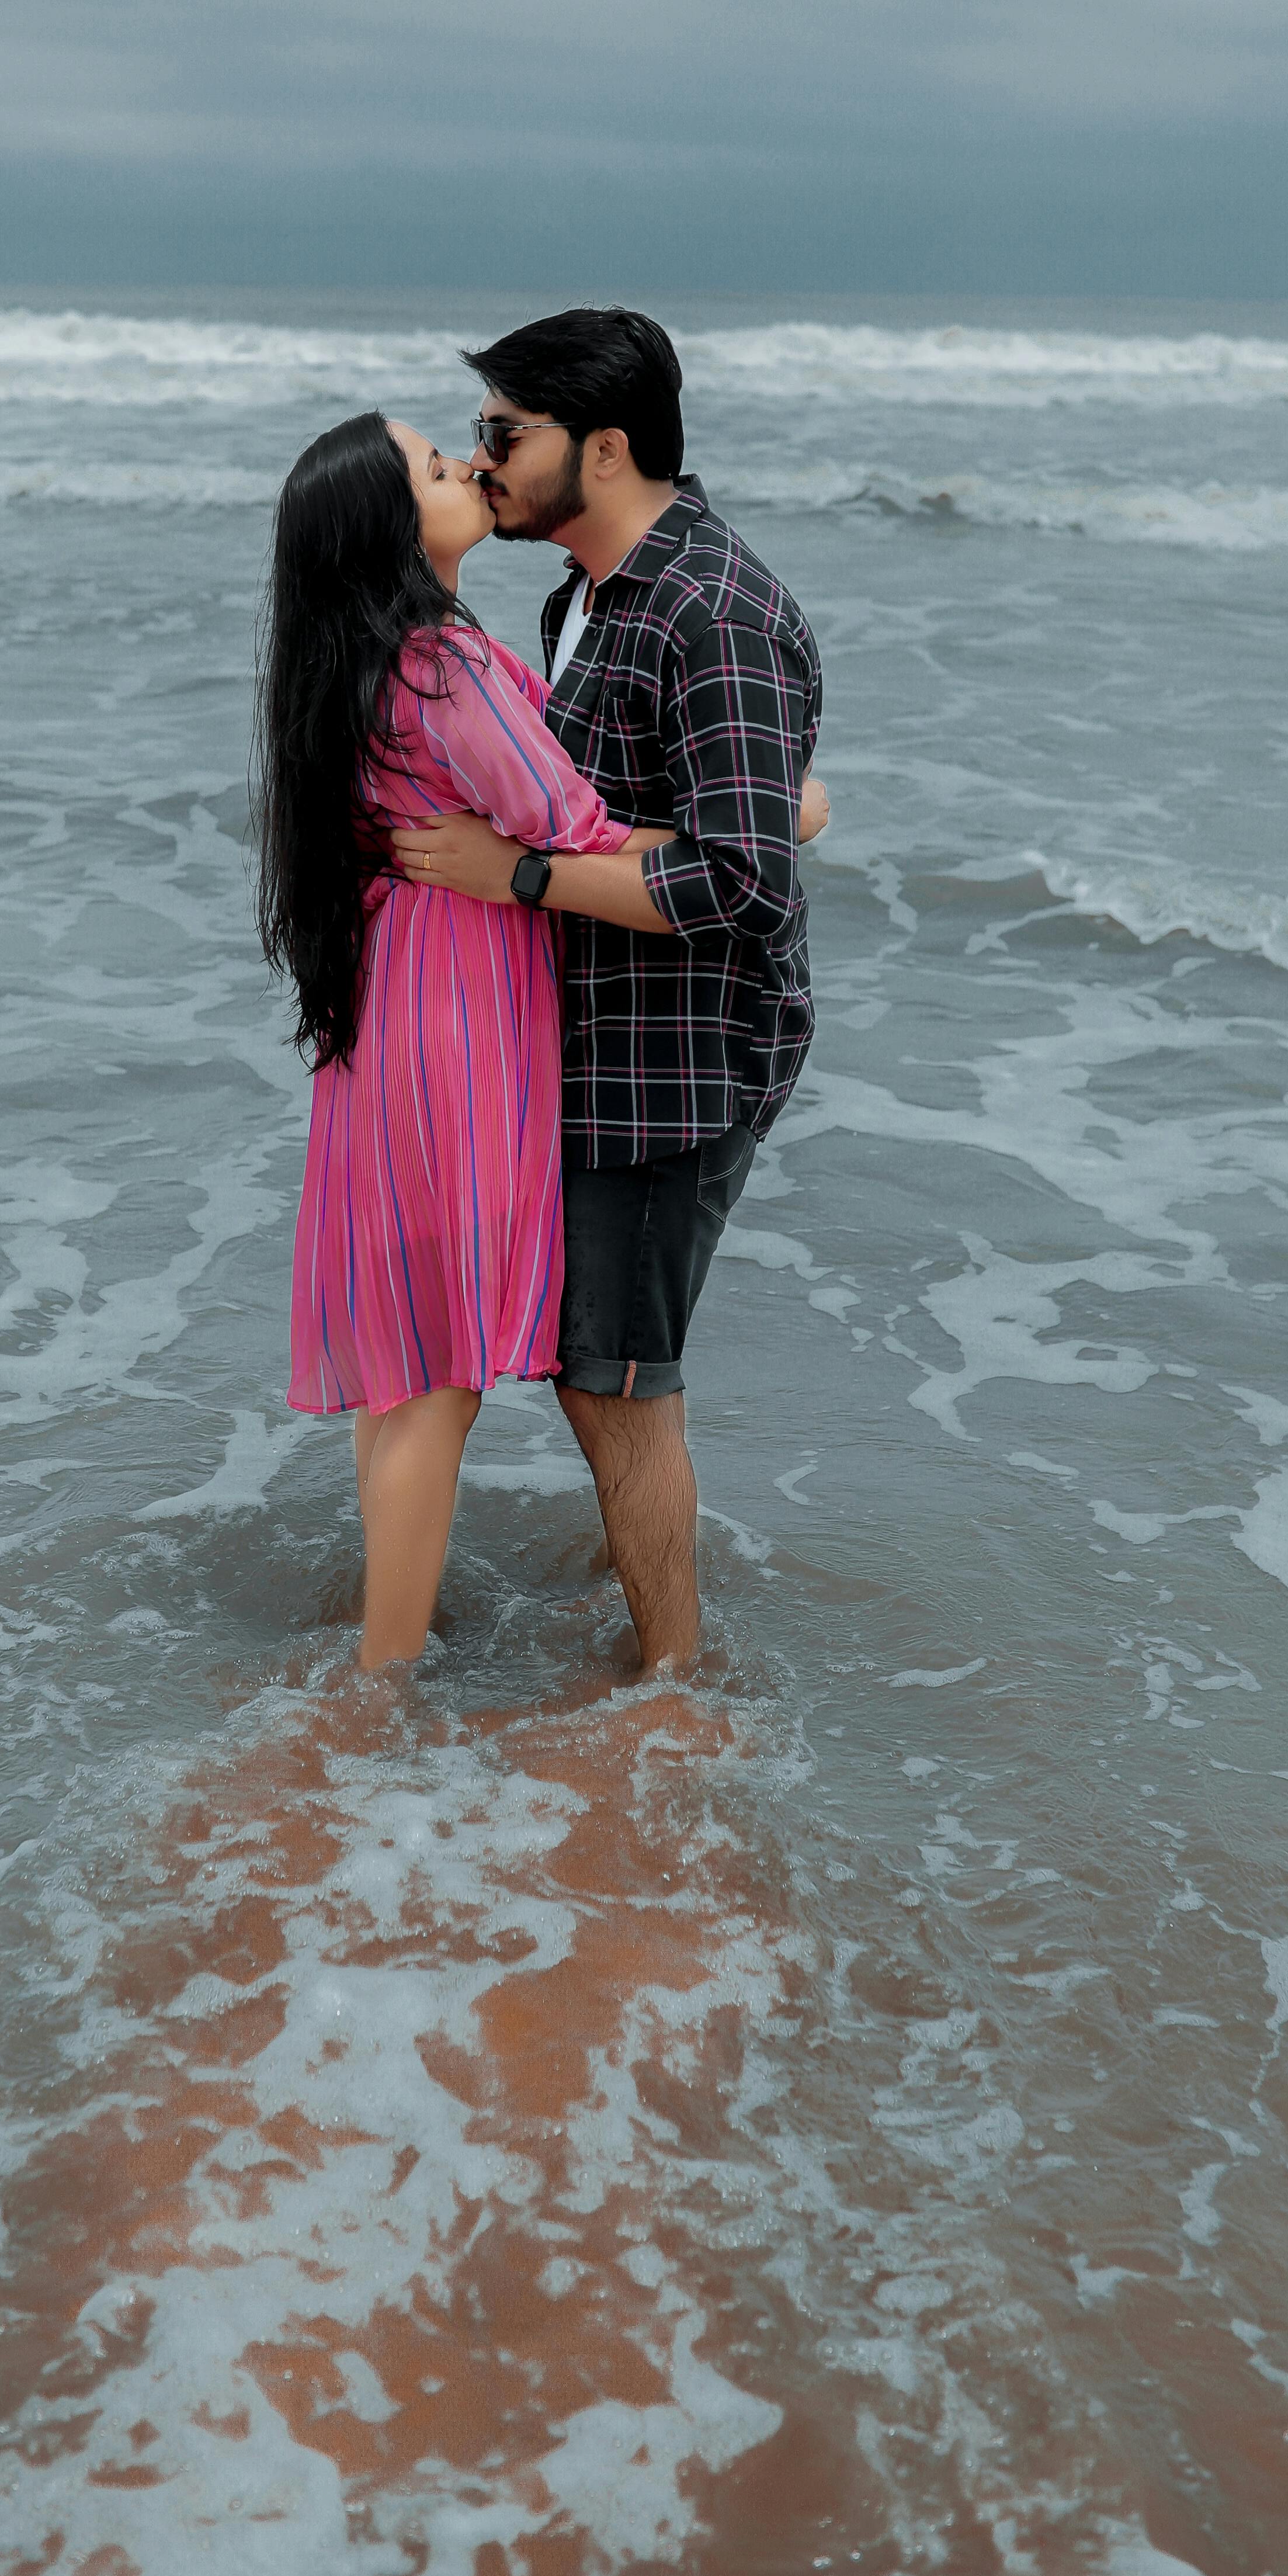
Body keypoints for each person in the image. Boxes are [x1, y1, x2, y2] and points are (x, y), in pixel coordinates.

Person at [399, 308, 824, 1673]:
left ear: (609, 445)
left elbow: (746, 881)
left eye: (504, 436)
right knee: (602, 1377)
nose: (484, 462)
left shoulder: (710, 610)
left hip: (676, 1063)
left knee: (615, 1389)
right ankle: (645, 1600)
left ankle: (674, 1692)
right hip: (588, 1046)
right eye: (477, 436)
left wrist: (509, 877)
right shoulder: (582, 594)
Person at [257, 410, 665, 1670]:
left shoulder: (361, 671)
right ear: (391, 526)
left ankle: (386, 1642)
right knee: (439, 1373)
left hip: (382, 1021)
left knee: (402, 1368)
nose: (471, 469)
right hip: (458, 1031)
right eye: (437, 469)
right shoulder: (445, 666)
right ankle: (381, 1690)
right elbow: (568, 823)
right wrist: (775, 823)